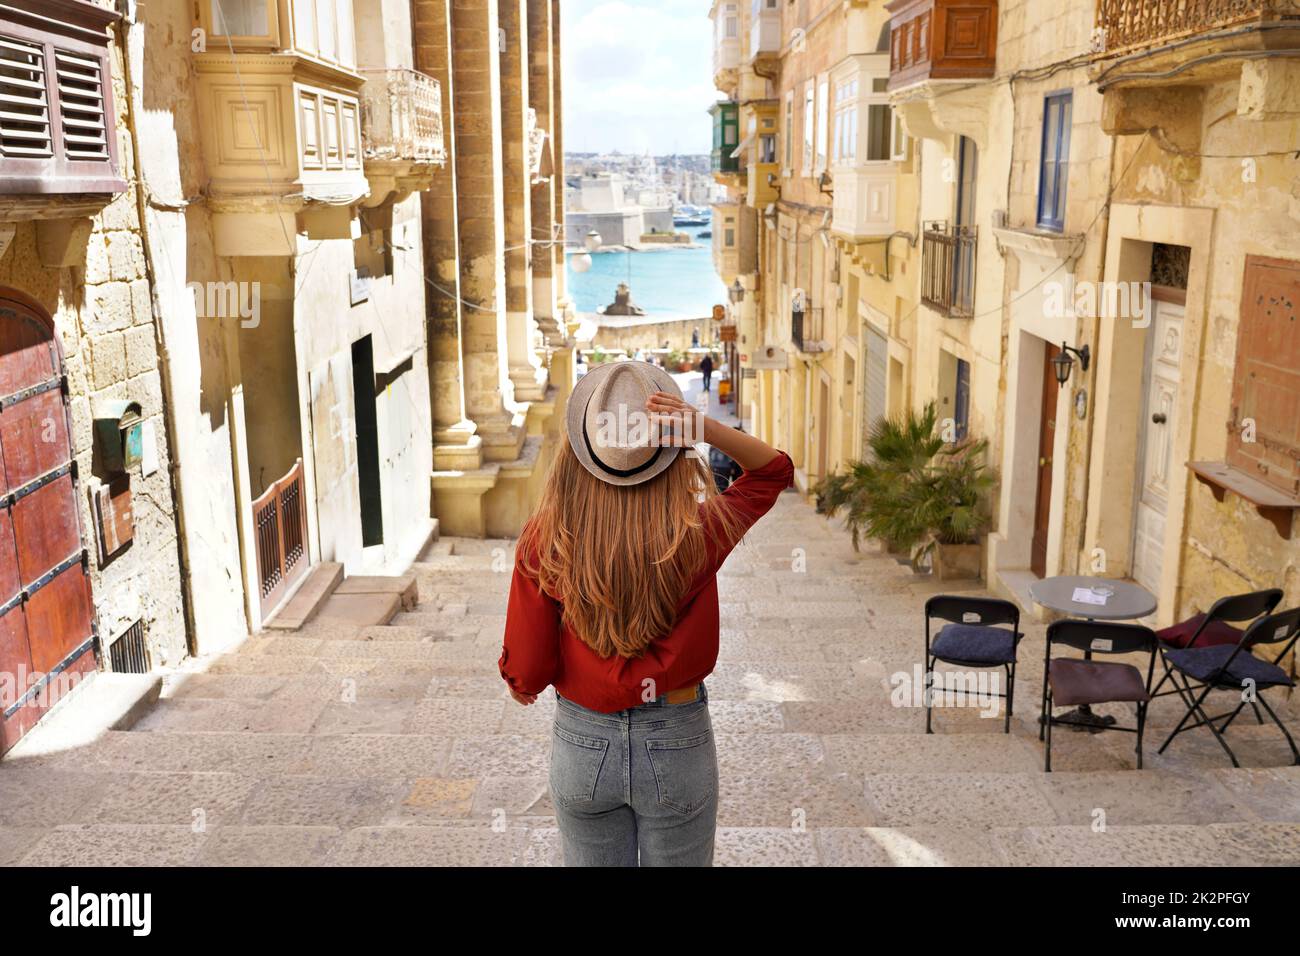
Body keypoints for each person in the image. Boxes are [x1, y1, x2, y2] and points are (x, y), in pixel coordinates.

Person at [499, 361, 792, 866]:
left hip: (583, 740)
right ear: (670, 454)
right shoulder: (699, 532)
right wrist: (700, 427)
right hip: (676, 737)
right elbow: (773, 471)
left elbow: (528, 667)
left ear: (581, 451)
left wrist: (521, 683)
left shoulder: (546, 539)